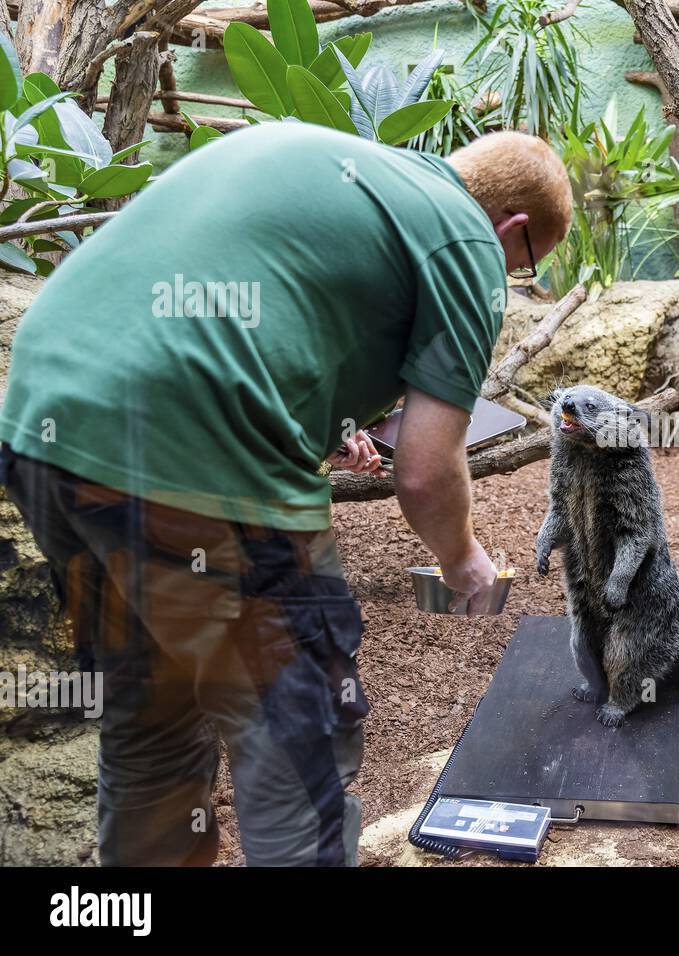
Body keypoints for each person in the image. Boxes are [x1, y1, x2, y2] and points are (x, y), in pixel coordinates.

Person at [0, 122, 571, 866]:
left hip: (41, 431)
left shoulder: (347, 169)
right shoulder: (465, 237)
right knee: (298, 738)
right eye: (524, 267)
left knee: (151, 719)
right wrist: (465, 562)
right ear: (513, 226)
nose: (512, 279)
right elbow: (427, 472)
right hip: (199, 456)